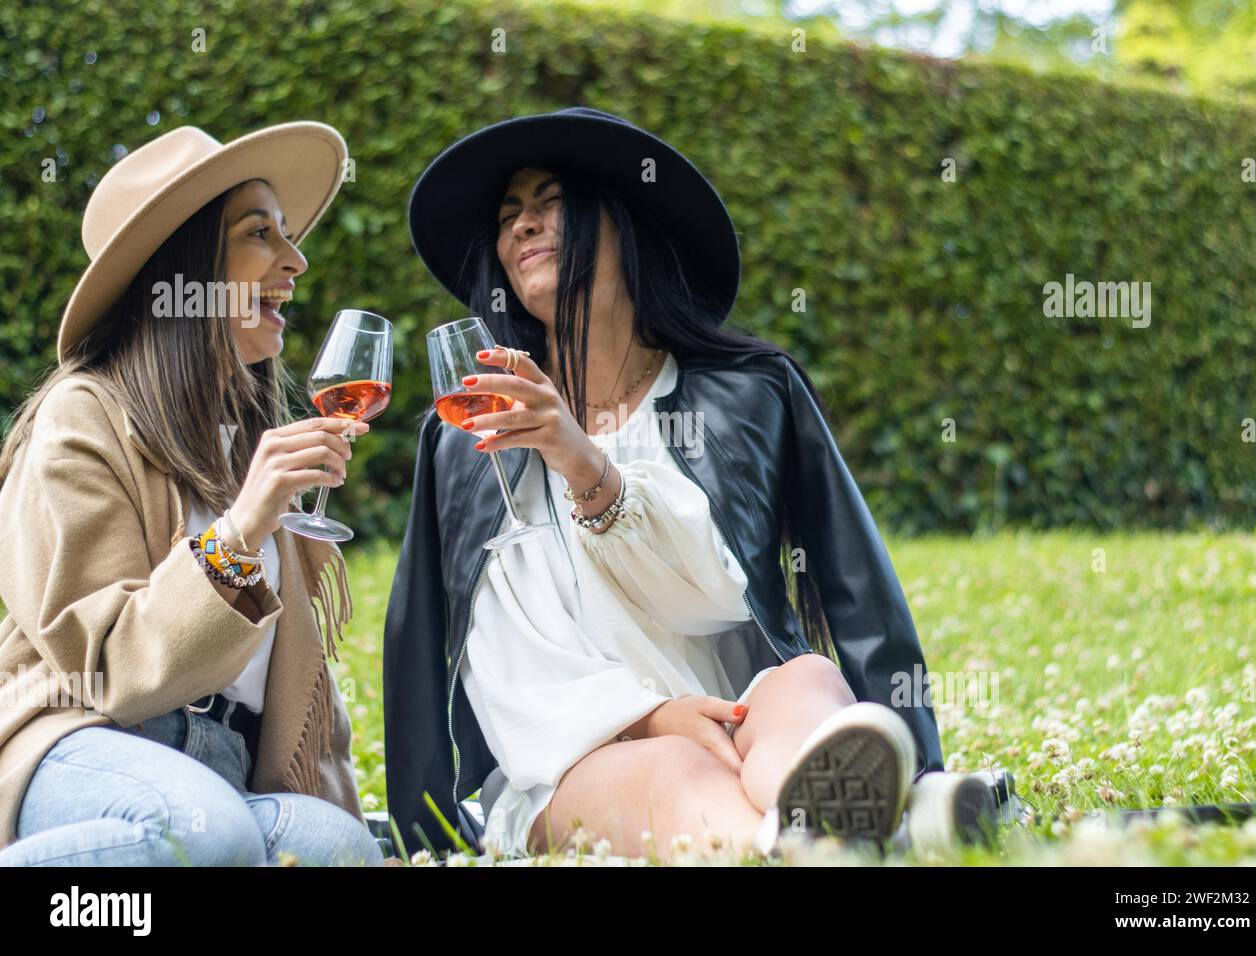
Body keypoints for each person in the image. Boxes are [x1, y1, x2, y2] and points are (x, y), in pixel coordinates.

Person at [386, 106, 994, 861]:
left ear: (624, 225)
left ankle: (854, 818)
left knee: (803, 679)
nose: (521, 226)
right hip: (578, 762)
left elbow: (813, 590)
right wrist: (648, 718)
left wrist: (585, 462)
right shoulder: (466, 441)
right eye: (509, 215)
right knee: (675, 768)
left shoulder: (744, 397)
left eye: (551, 203)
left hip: (739, 714)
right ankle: (858, 838)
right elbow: (497, 666)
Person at [0, 121, 383, 866]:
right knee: (206, 831)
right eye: (259, 233)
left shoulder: (241, 444)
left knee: (337, 851)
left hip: (223, 768)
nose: (295, 259)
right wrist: (239, 530)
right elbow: (108, 669)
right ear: (189, 267)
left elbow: (297, 691)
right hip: (84, 742)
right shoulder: (81, 417)